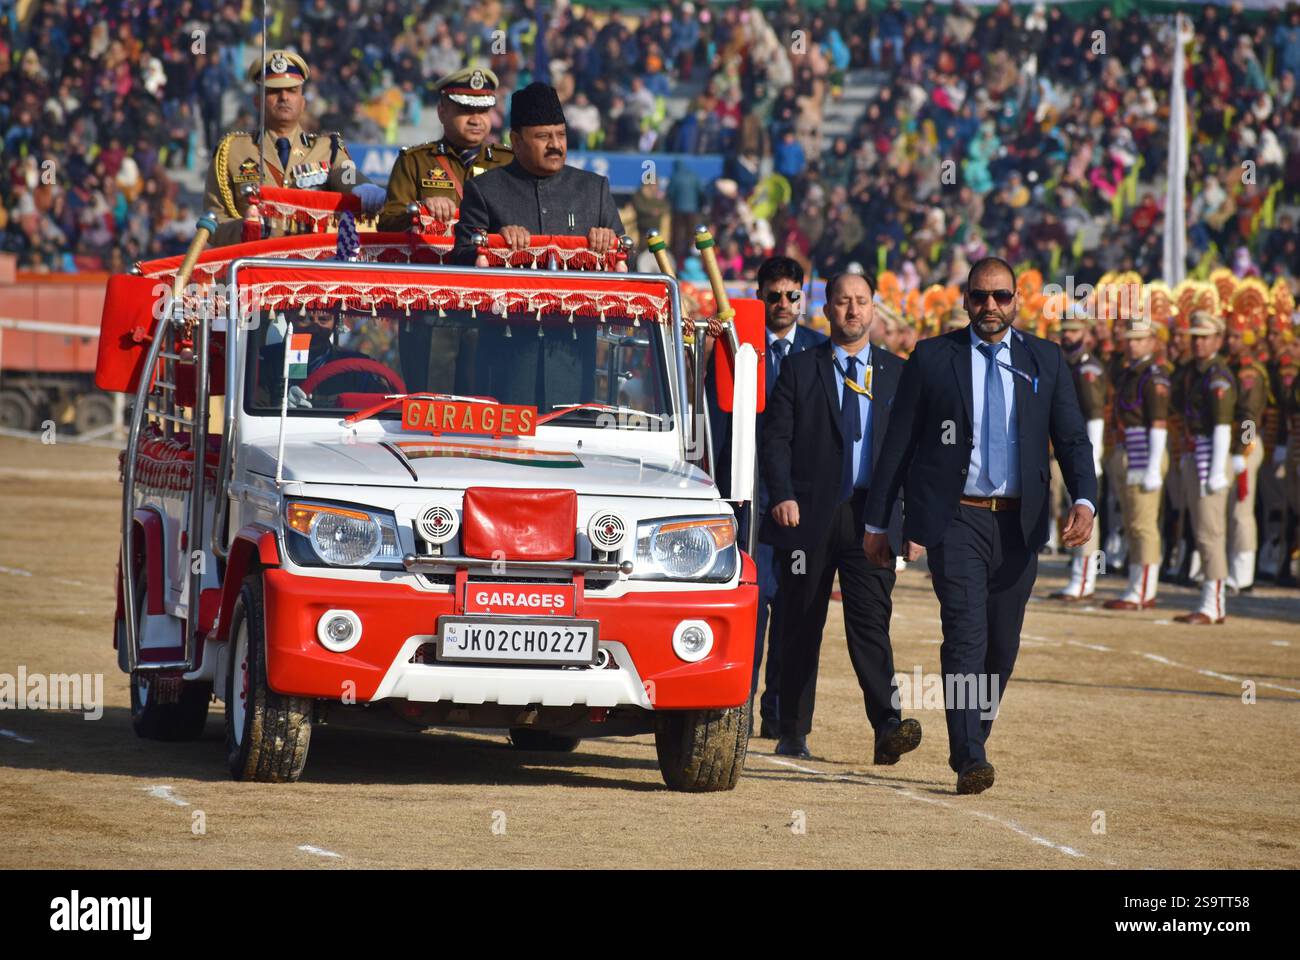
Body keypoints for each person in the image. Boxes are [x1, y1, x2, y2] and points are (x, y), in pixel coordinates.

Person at [863, 257, 1097, 795]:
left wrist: (1084, 499)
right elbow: (898, 445)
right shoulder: (932, 358)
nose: (990, 306)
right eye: (979, 297)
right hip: (957, 518)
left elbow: (1072, 438)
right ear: (965, 300)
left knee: (1002, 648)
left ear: (1016, 300)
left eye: (1000, 297)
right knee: (965, 636)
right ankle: (969, 755)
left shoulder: (1046, 359)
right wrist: (880, 522)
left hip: (1020, 524)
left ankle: (974, 735)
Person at [761, 271, 922, 764]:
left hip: (872, 518)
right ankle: (792, 731)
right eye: (843, 302)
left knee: (870, 624)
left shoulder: (899, 373)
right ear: (827, 309)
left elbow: (914, 451)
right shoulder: (801, 368)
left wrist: (911, 521)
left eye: (861, 301)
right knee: (800, 623)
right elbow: (775, 439)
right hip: (806, 517)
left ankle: (888, 728)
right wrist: (782, 494)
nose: (853, 311)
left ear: (874, 308)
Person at [709, 256, 827, 738]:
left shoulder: (822, 350)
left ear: (805, 297)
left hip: (801, 504)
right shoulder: (735, 344)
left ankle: (781, 720)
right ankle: (736, 709)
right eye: (773, 295)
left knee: (796, 617)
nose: (782, 304)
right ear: (759, 295)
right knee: (751, 610)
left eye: (791, 295)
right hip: (745, 501)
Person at [204, 50, 385, 247]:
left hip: (310, 267)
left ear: (303, 102)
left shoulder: (327, 148)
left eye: (292, 90)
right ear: (257, 101)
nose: (284, 97)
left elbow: (345, 174)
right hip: (253, 267)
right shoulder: (232, 151)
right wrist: (244, 229)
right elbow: (213, 221)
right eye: (274, 91)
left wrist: (363, 187)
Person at [451, 82, 625, 264]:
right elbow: (460, 258)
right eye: (543, 136)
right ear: (516, 141)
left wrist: (609, 241)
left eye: (561, 135)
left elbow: (627, 257)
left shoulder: (594, 189)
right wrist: (497, 244)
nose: (556, 145)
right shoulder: (484, 190)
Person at [377, 67, 513, 232]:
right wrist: (421, 211)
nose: (476, 120)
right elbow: (387, 223)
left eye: (483, 111)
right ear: (442, 112)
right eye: (466, 111)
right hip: (434, 256)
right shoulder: (414, 162)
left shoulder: (509, 161)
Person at [1170, 312, 1238, 623]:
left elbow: (1223, 425)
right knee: (1201, 530)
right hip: (1196, 452)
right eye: (1194, 336)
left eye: (1205, 337)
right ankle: (1209, 600)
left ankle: (1214, 603)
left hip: (1211, 454)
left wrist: (1216, 471)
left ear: (1218, 340)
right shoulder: (1193, 372)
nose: (1197, 342)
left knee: (1211, 532)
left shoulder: (1218, 375)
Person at [1103, 317, 1171, 610]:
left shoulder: (1153, 377)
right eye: (1129, 339)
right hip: (1126, 447)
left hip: (1143, 451)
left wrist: (1154, 468)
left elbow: (1158, 424)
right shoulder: (1128, 372)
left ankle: (1144, 589)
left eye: (1139, 339)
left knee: (1143, 525)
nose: (1132, 344)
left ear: (1153, 342)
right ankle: (1135, 585)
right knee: (1132, 523)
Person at [1048, 312, 1106, 600]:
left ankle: (1084, 580)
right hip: (1068, 450)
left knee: (1085, 515)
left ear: (1086, 334)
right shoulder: (1068, 365)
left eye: (1074, 331)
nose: (1068, 336)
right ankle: (1079, 576)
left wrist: (1091, 461)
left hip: (1082, 453)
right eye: (1065, 330)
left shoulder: (1087, 369)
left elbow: (1095, 417)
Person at [1224, 314, 1269, 592]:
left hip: (1246, 445)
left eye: (1237, 337)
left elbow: (1250, 416)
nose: (1231, 341)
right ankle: (1234, 568)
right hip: (1231, 445)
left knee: (1242, 510)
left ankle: (1243, 574)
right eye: (1229, 336)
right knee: (1230, 511)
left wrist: (1242, 450)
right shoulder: (1229, 366)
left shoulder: (1250, 372)